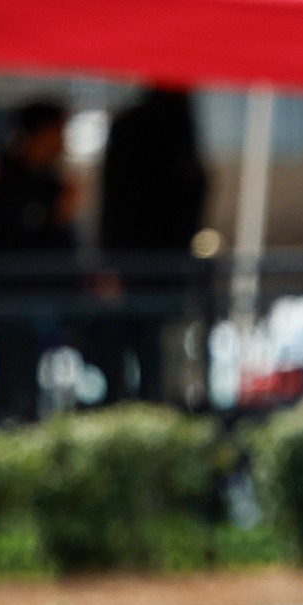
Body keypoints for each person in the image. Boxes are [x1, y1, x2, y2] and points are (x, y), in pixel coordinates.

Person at [96, 86, 210, 403]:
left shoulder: (133, 126)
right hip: (160, 260)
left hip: (137, 259)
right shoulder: (174, 125)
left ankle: (136, 401)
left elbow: (112, 203)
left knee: (141, 342)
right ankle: (151, 403)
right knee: (152, 343)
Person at [0, 99, 79, 422]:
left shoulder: (52, 184)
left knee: (38, 387)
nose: (62, 140)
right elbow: (10, 245)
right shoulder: (6, 188)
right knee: (16, 385)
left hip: (50, 303)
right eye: (58, 131)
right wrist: (56, 218)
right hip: (15, 302)